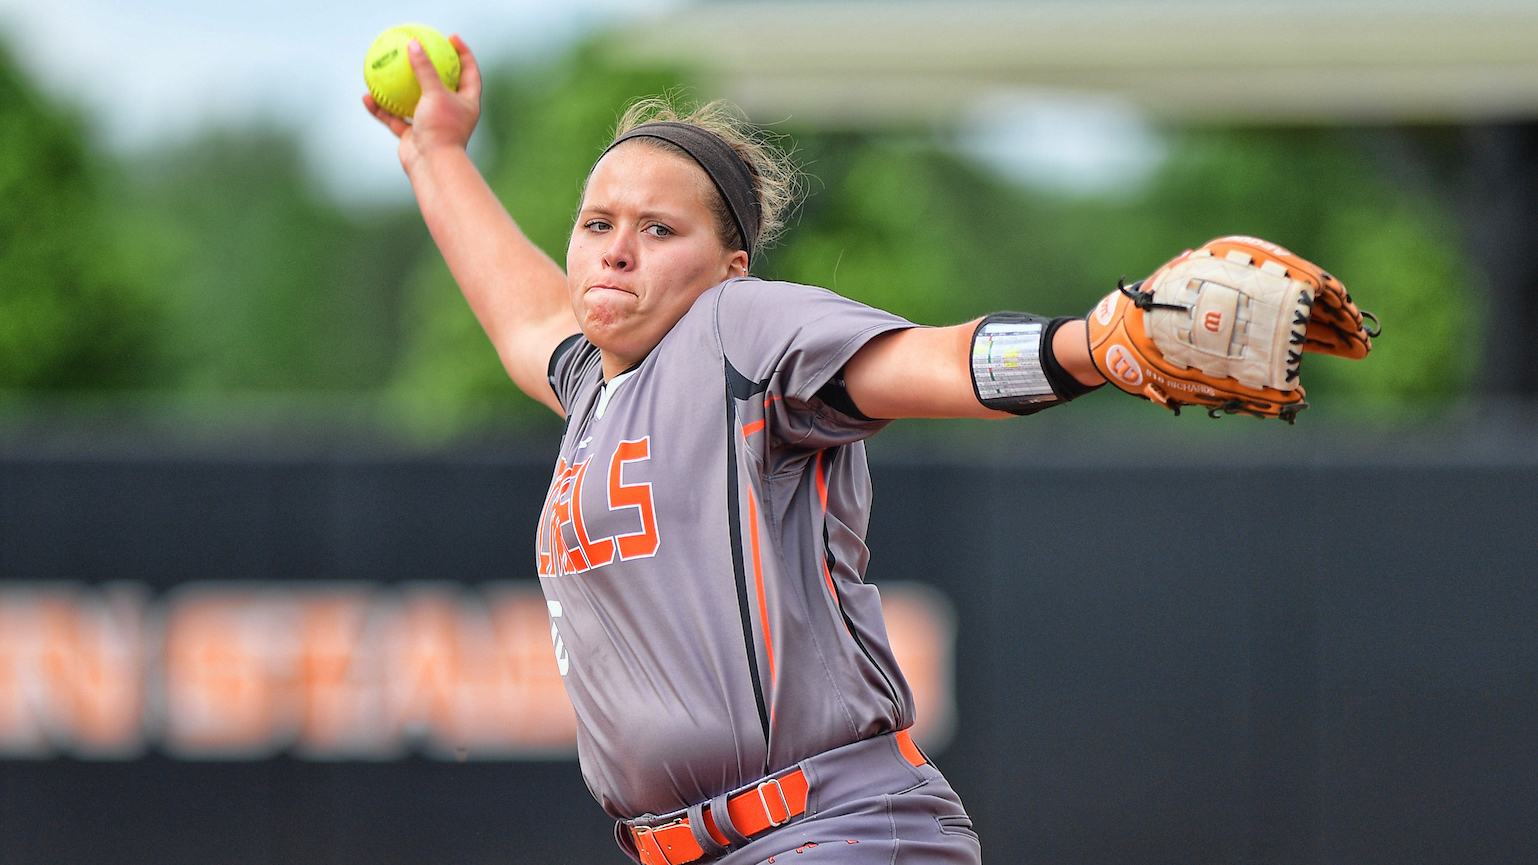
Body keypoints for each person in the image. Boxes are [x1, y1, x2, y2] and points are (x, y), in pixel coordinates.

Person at [365, 35, 1361, 865]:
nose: (616, 247)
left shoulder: (738, 332)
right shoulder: (593, 386)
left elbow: (917, 360)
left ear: (726, 266)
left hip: (825, 832)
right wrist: (434, 151)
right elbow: (520, 313)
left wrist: (1087, 346)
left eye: (658, 227)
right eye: (596, 223)